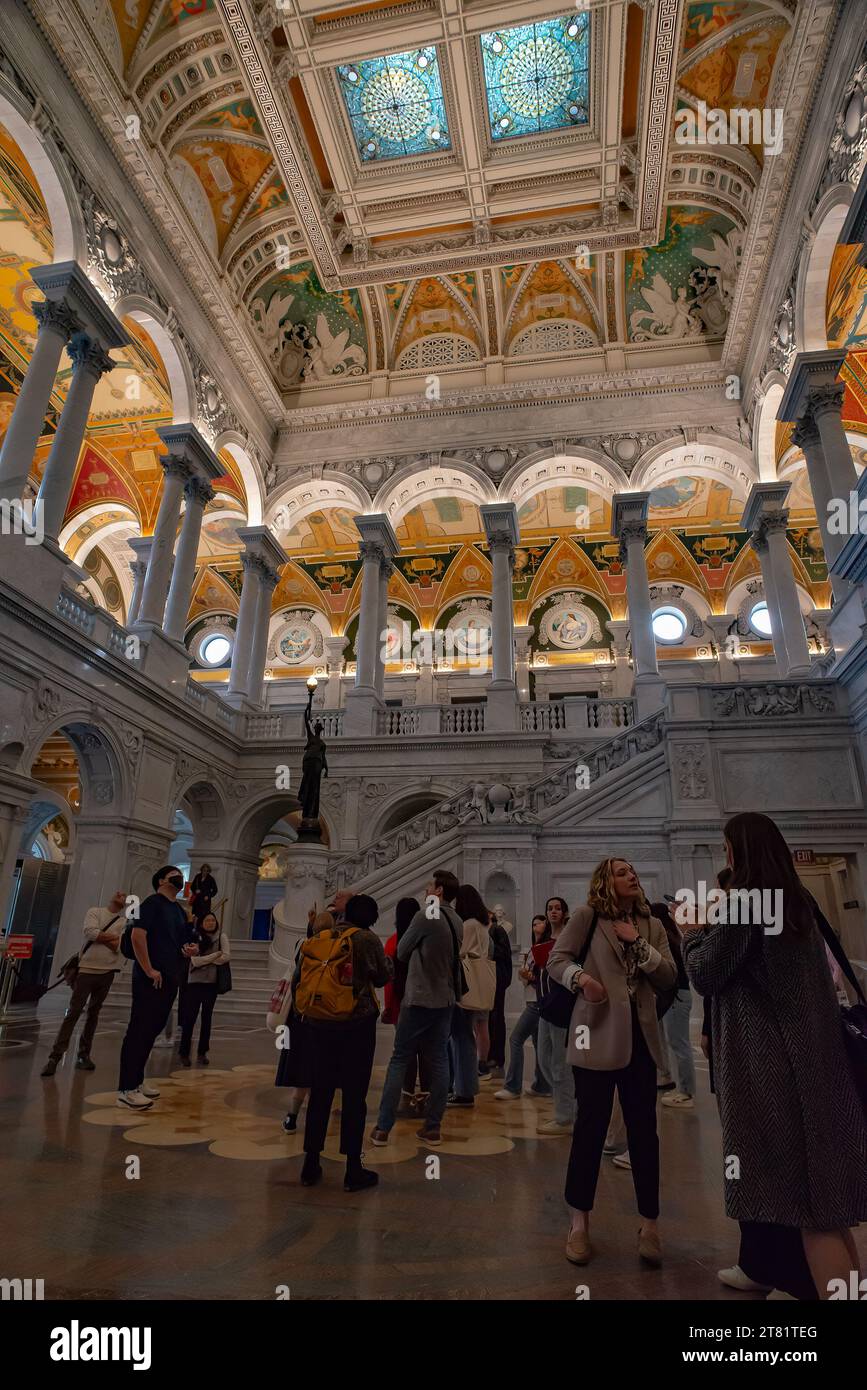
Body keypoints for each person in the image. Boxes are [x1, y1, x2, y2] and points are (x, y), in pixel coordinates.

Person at [682, 812, 867, 1300]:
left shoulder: (746, 903)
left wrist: (693, 930)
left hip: (772, 1071)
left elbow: (704, 973)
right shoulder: (797, 898)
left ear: (739, 850)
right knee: (827, 1205)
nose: (725, 853)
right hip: (815, 1062)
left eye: (728, 846)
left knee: (810, 1213)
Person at [548, 858, 676, 1267]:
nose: (632, 875)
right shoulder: (587, 916)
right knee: (589, 1130)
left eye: (633, 870)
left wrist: (638, 943)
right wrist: (582, 979)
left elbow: (669, 976)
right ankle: (579, 1222)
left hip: (640, 1040)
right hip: (596, 1034)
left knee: (644, 1135)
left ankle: (650, 1224)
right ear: (606, 881)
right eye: (622, 872)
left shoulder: (651, 924)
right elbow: (556, 960)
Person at [299, 895, 391, 1192]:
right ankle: (353, 1169)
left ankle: (310, 1164)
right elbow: (382, 977)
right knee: (354, 1095)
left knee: (320, 1093)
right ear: (372, 917)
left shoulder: (324, 935)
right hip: (355, 1024)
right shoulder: (366, 938)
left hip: (319, 1021)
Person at [371, 868, 463, 1149]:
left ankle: (382, 1128)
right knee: (439, 1060)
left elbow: (401, 951)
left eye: (430, 887)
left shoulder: (426, 915)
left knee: (400, 1058)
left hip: (419, 997)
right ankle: (433, 1128)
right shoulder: (458, 920)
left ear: (440, 891)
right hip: (445, 999)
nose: (426, 891)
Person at [117, 866, 198, 1110]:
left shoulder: (179, 910)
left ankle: (137, 1080)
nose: (179, 877)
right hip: (151, 977)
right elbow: (137, 936)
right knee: (139, 1029)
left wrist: (190, 949)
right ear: (161, 880)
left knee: (152, 1030)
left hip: (170, 976)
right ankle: (126, 1089)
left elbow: (181, 941)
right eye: (174, 874)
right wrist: (148, 969)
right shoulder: (152, 903)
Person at [41, 889, 128, 1076]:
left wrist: (101, 936)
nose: (120, 895)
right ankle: (54, 1057)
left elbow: (118, 945)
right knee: (74, 1012)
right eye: (118, 893)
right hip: (86, 970)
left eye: (124, 895)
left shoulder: (124, 922)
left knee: (93, 1013)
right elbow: (90, 933)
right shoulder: (95, 912)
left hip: (107, 972)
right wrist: (110, 937)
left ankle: (84, 1054)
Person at [275, 909, 331, 1132]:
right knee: (322, 1070)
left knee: (303, 1071)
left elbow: (296, 978)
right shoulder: (338, 948)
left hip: (302, 1014)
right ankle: (317, 1120)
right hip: (327, 1014)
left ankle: (292, 1117)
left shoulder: (303, 945)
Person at [449, 885, 497, 1106]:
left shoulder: (468, 925)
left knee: (462, 1038)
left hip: (466, 985)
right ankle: (466, 1086)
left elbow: (460, 953)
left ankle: (464, 1089)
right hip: (478, 982)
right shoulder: (483, 925)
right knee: (469, 1034)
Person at [495, 913, 552, 1100]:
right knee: (537, 1043)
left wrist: (531, 977)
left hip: (537, 1001)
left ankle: (513, 1086)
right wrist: (525, 975)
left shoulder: (546, 947)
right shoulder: (533, 948)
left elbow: (544, 976)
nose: (536, 926)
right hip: (532, 999)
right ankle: (542, 1085)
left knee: (516, 1039)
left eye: (540, 923)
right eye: (534, 923)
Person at [382, 897, 428, 1117]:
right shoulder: (425, 940)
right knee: (427, 1053)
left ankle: (406, 1096)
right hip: (425, 1003)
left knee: (404, 1055)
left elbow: (389, 982)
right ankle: (426, 1098)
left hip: (401, 1004)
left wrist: (389, 1008)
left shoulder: (392, 942)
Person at [535, 896, 575, 1136]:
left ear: (564, 912)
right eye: (550, 908)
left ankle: (565, 1117)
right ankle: (567, 1106)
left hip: (561, 1006)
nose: (553, 912)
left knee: (560, 1065)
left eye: (558, 908)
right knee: (544, 1058)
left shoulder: (570, 939)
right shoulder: (544, 939)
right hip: (544, 1005)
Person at [651, 900, 695, 1109]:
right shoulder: (673, 937)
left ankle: (686, 1092)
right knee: (675, 1042)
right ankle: (677, 1084)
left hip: (676, 996)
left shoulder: (667, 939)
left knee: (679, 1044)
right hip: (675, 995)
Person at [178, 912, 230, 1067]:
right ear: (201, 923)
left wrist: (204, 959)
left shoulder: (221, 937)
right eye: (207, 920)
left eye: (213, 920)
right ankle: (184, 1052)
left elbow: (226, 956)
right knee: (189, 1018)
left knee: (207, 1018)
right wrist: (214, 956)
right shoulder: (194, 936)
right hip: (194, 982)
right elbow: (194, 960)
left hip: (211, 983)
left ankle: (202, 1052)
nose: (211, 922)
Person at [484, 907, 512, 1078]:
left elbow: (503, 953)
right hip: (488, 979)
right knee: (488, 1019)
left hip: (497, 978)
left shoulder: (497, 930)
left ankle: (496, 1056)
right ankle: (489, 1054)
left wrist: (486, 948)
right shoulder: (489, 930)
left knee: (496, 1018)